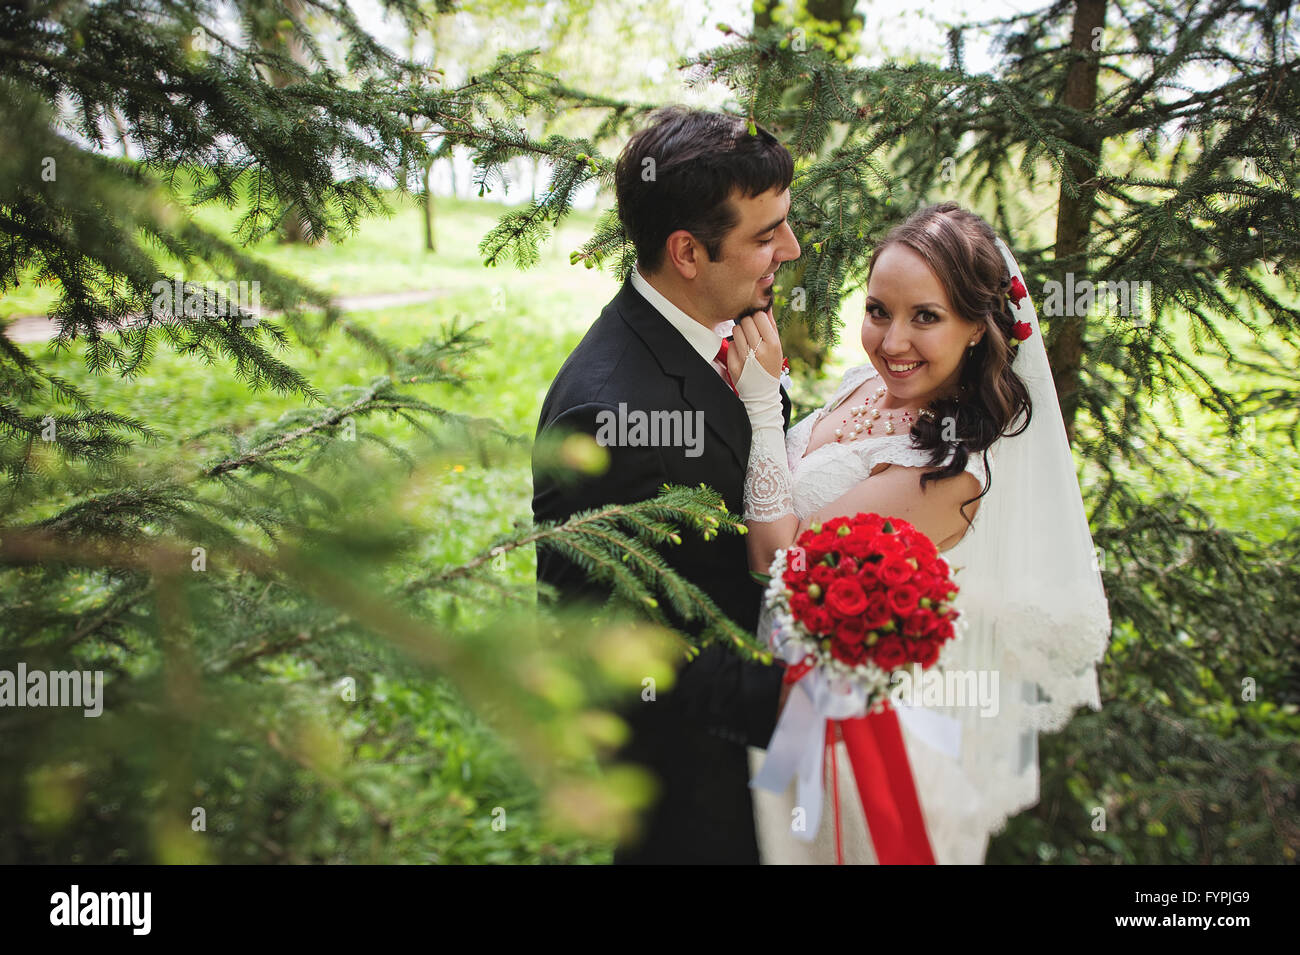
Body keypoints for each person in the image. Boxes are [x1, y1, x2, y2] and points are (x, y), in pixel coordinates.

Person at [731, 201, 1113, 863]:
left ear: (975, 328)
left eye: (925, 317)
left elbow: (776, 557)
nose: (892, 341)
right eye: (878, 310)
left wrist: (763, 407)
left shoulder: (950, 472)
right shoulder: (865, 385)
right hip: (796, 708)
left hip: (872, 752)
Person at [530, 106, 802, 863]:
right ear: (688, 252)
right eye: (766, 233)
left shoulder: (737, 330)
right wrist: (794, 698)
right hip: (701, 798)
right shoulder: (606, 410)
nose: (792, 247)